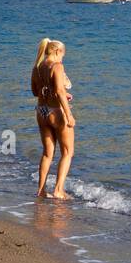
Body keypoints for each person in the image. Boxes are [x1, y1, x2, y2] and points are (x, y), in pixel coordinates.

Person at [31, 38, 76, 199]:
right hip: (57, 112)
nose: (62, 58)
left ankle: (41, 191)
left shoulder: (37, 67)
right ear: (57, 51)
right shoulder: (57, 66)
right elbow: (59, 91)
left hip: (41, 111)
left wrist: (55, 92)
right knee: (67, 152)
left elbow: (35, 92)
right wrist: (69, 115)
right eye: (62, 55)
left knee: (47, 153)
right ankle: (58, 190)